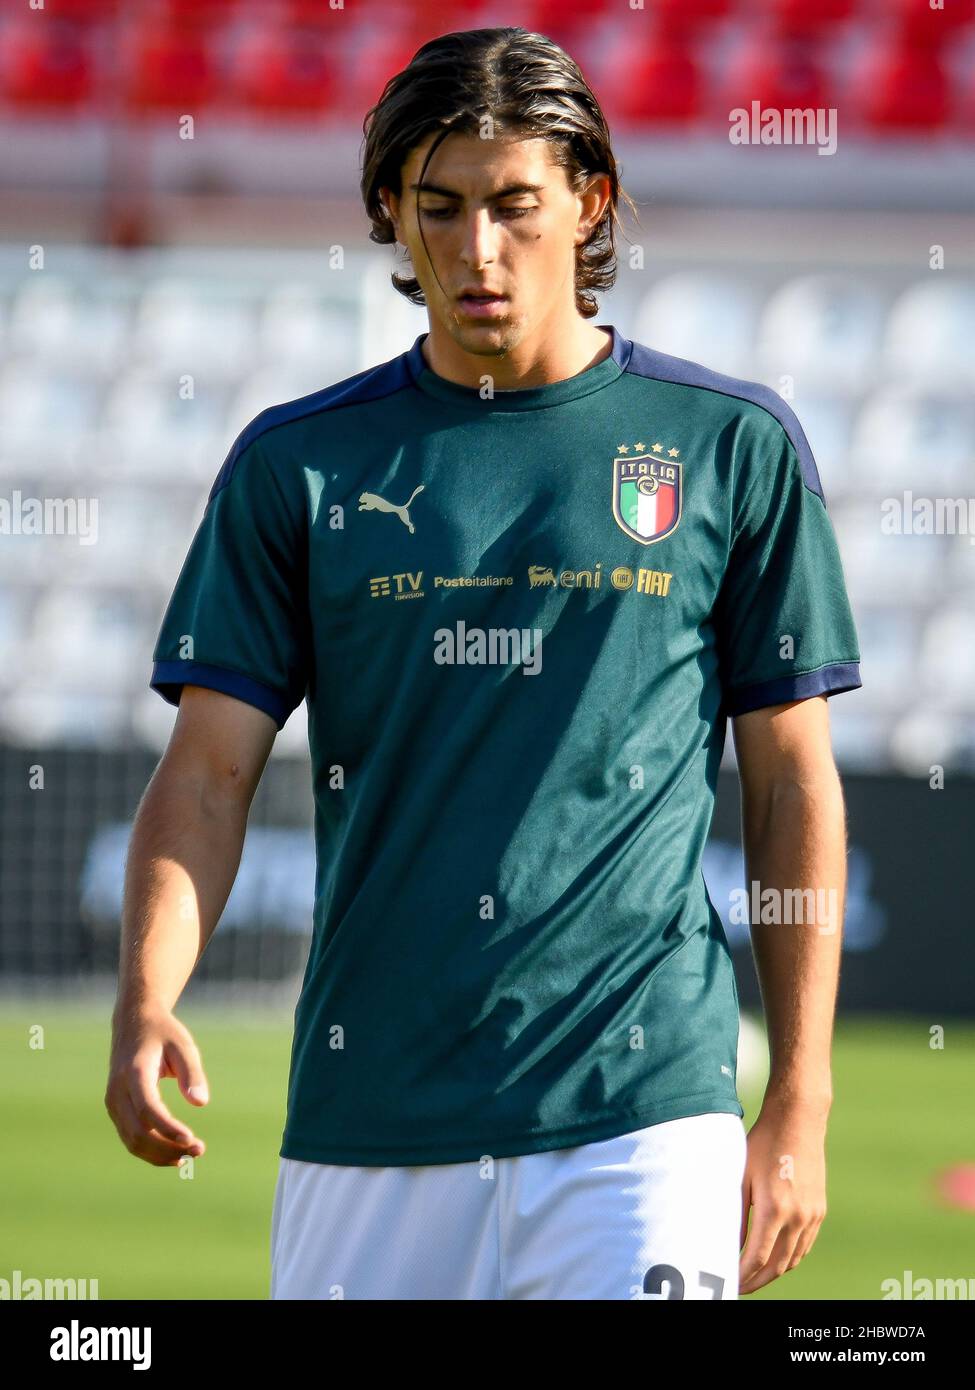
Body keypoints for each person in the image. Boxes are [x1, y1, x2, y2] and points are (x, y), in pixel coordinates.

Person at [106, 27, 861, 1300]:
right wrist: (143, 996)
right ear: (393, 214)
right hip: (367, 1124)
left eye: (515, 205)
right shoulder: (299, 465)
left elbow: (793, 788)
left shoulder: (730, 447)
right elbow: (207, 780)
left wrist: (800, 1096)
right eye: (438, 208)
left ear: (590, 200)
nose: (476, 251)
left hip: (641, 1118)